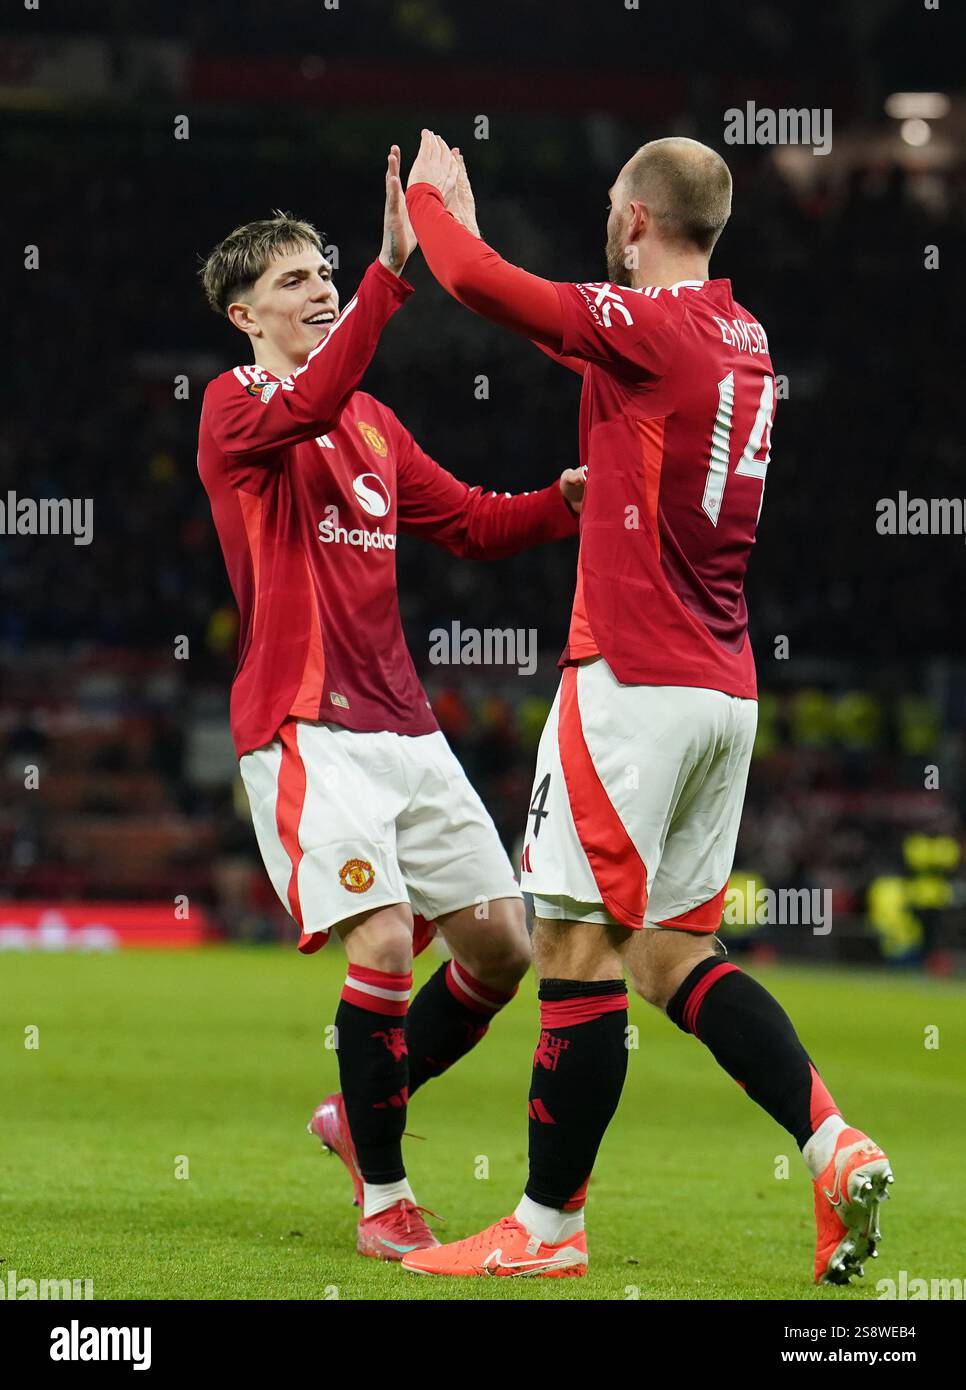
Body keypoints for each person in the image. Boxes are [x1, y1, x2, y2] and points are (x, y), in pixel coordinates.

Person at [400, 131, 893, 1282]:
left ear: (634, 221)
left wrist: (431, 201)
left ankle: (547, 1228)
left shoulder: (651, 325)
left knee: (576, 948)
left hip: (631, 679)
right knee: (676, 955)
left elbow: (477, 283)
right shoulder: (745, 334)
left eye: (611, 211)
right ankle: (832, 1142)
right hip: (724, 687)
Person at [196, 147, 583, 1261]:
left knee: (504, 949)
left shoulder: (371, 424)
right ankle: (385, 1200)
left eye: (326, 271)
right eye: (294, 280)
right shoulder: (234, 409)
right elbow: (310, 398)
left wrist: (559, 503)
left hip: (407, 729)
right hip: (306, 728)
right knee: (377, 938)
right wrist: (391, 273)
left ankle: (359, 1106)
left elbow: (468, 522)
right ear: (242, 314)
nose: (320, 287)